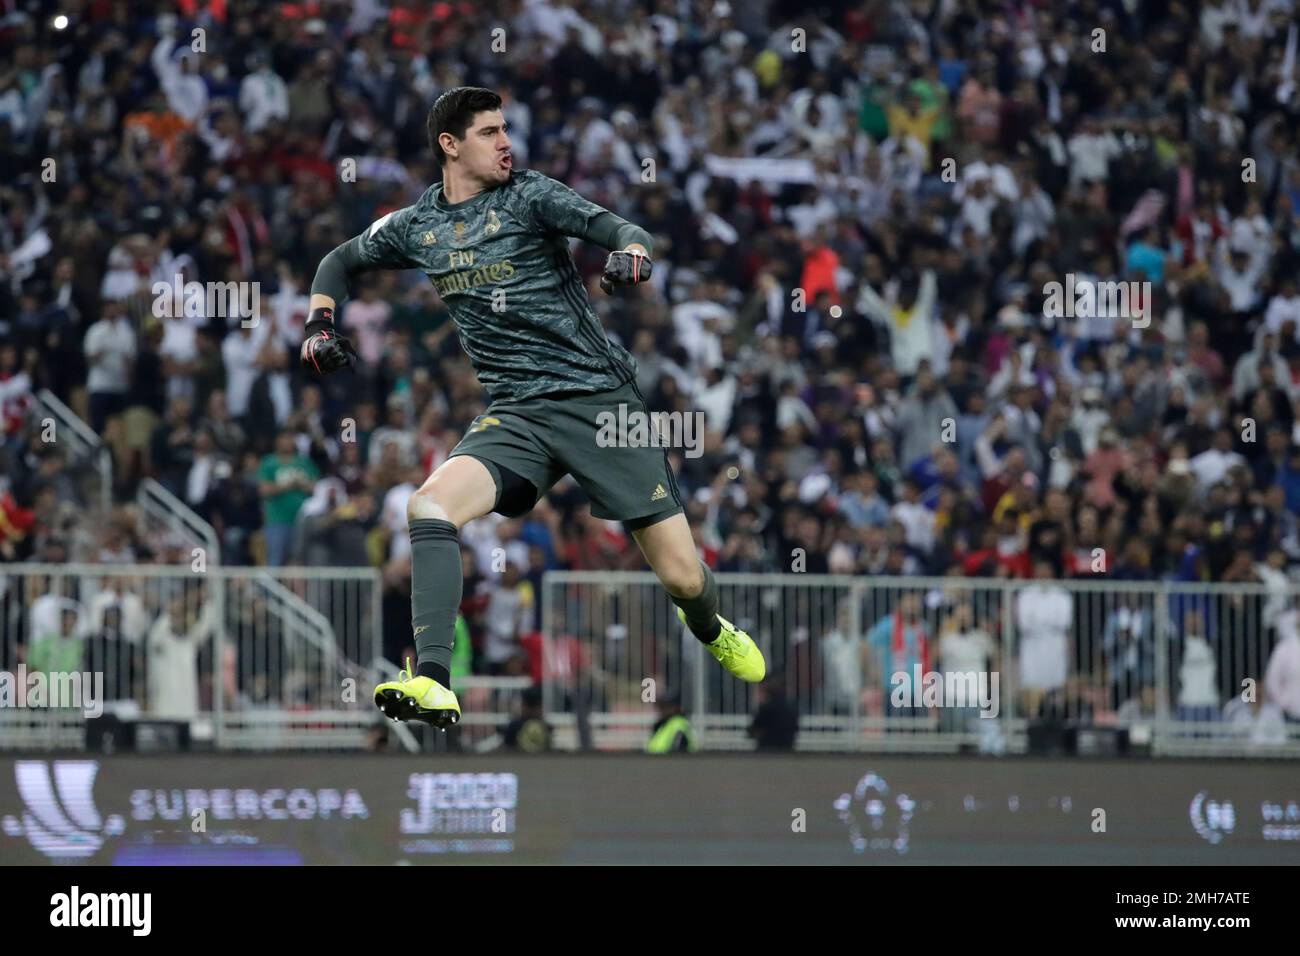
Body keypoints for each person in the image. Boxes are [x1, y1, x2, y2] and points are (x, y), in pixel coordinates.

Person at [300, 87, 764, 728]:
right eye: (489, 132)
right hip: (518, 413)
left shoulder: (530, 196)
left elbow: (622, 230)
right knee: (428, 506)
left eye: (505, 129)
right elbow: (337, 260)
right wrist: (319, 326)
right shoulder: (419, 226)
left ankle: (709, 624)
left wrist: (632, 255)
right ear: (450, 145)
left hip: (599, 404)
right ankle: (434, 678)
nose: (505, 142)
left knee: (683, 578)